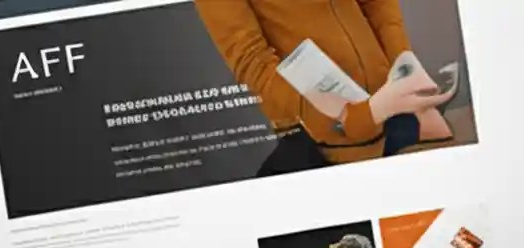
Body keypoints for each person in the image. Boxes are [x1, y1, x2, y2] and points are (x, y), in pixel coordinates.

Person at [193, 0, 457, 175]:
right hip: (323, 140)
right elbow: (253, 64)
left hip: (397, 112)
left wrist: (402, 59)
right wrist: (354, 116)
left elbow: (375, 3)